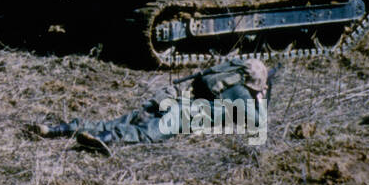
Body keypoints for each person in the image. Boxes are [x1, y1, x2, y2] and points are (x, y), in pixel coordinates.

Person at [28, 56, 271, 156]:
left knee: (125, 119)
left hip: (167, 101)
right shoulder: (242, 95)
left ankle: (59, 129)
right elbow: (258, 124)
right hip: (179, 115)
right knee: (147, 134)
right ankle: (105, 138)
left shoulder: (219, 81)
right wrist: (260, 99)